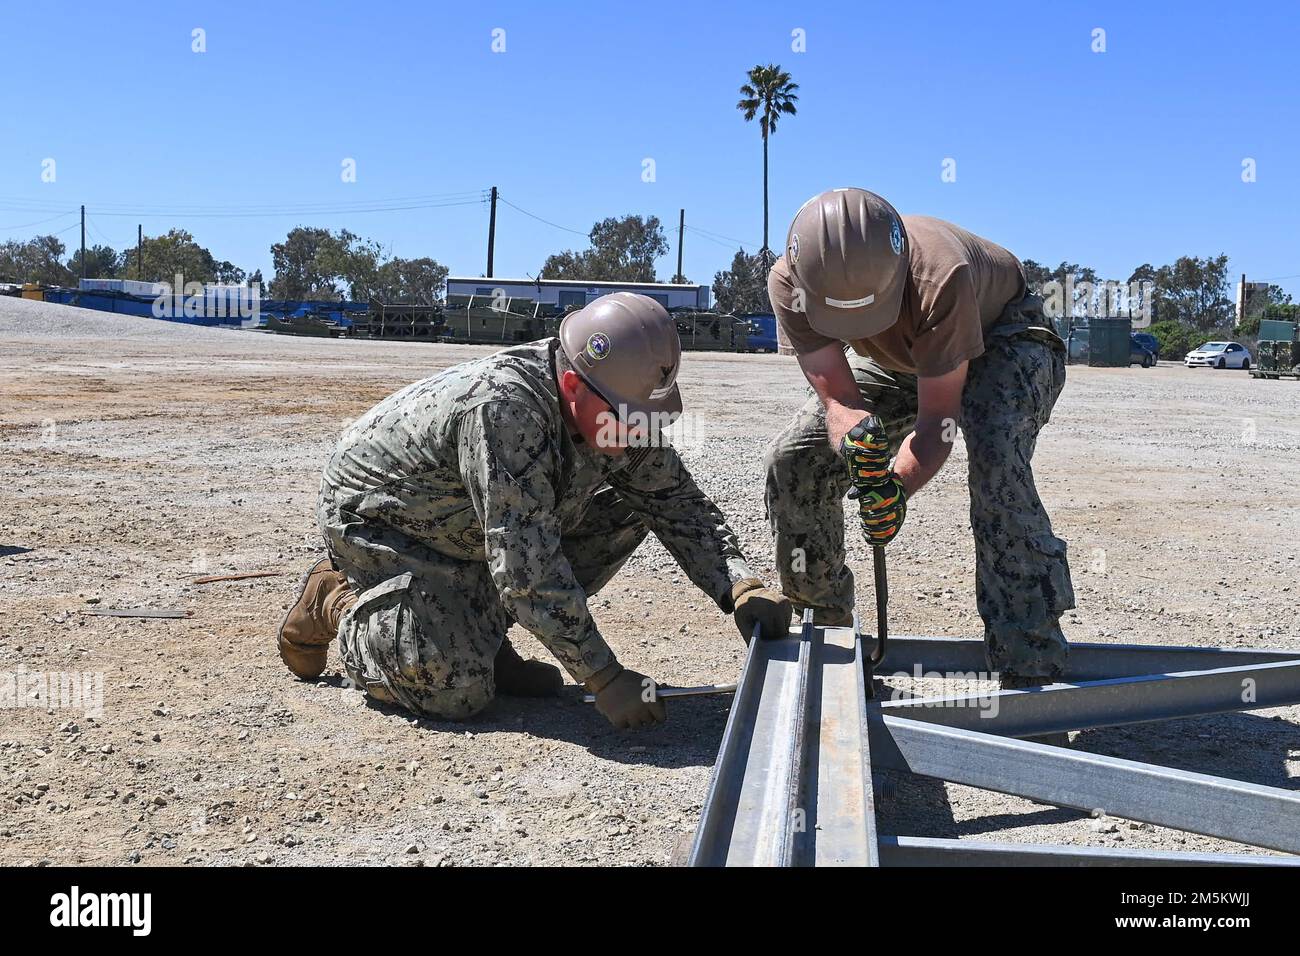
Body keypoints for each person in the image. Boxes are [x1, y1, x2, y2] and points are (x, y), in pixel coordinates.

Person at [279, 292, 791, 728]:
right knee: (454, 688)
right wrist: (603, 677)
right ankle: (339, 602)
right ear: (571, 387)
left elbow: (674, 502)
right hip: (382, 522)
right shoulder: (505, 411)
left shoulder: (616, 399)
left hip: (469, 522)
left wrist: (740, 586)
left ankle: (479, 634)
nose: (637, 434)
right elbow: (525, 568)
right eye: (628, 420)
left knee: (629, 510)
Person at [763, 187, 1073, 688]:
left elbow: (938, 426)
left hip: (1005, 338)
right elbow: (840, 400)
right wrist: (856, 440)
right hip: (907, 355)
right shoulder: (792, 283)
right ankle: (828, 640)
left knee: (997, 470)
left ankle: (1031, 665)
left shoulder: (940, 277)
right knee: (795, 459)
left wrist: (894, 491)